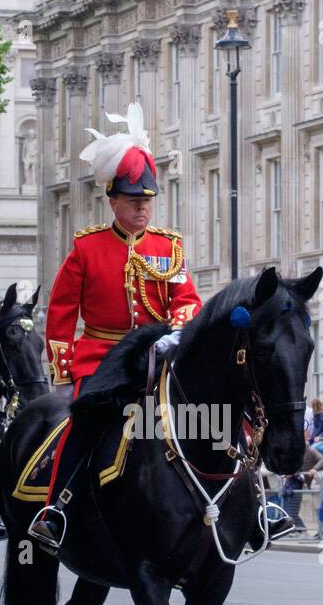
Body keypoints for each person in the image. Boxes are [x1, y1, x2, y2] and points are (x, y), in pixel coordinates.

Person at [28, 102, 204, 551]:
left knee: (212, 414)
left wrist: (178, 332)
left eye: (147, 201)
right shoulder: (87, 249)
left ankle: (248, 504)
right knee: (84, 422)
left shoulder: (169, 247)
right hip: (100, 358)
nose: (142, 209)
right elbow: (61, 312)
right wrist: (65, 368)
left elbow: (186, 299)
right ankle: (56, 508)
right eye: (132, 201)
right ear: (113, 201)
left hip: (159, 357)